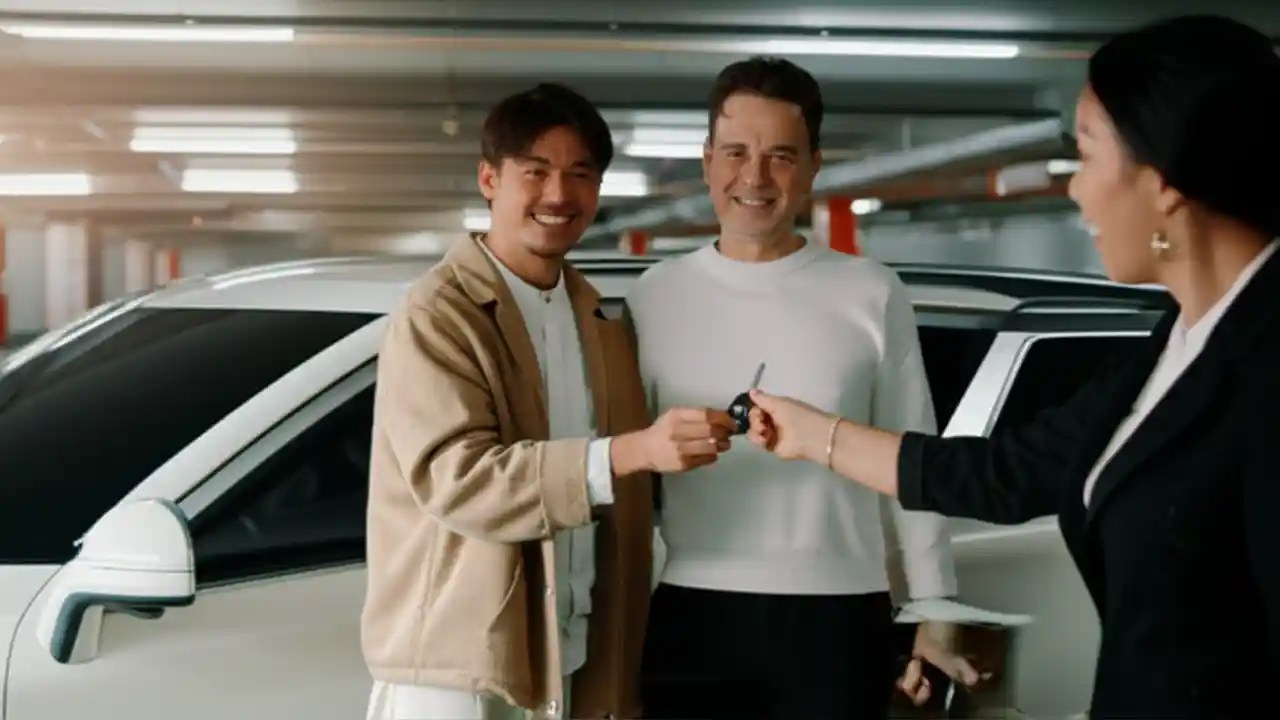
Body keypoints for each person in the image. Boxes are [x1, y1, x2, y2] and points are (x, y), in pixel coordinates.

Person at [745, 14, 1280, 720]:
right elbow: (1007, 472)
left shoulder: (1267, 369)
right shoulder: (1177, 343)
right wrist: (812, 435)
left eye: (1086, 157)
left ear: (1164, 182)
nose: (1074, 190)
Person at [361, 82, 738, 720]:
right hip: (460, 671)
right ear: (490, 179)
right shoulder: (438, 315)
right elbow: (461, 481)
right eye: (536, 172)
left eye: (580, 174)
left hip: (572, 654)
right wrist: (629, 452)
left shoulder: (593, 317)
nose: (559, 195)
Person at [626, 56, 978, 720]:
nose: (753, 177)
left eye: (781, 156)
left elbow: (914, 459)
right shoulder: (654, 296)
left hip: (840, 616)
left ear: (815, 165)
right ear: (706, 161)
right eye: (735, 153)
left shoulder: (871, 291)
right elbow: (626, 473)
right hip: (691, 613)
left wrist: (936, 607)